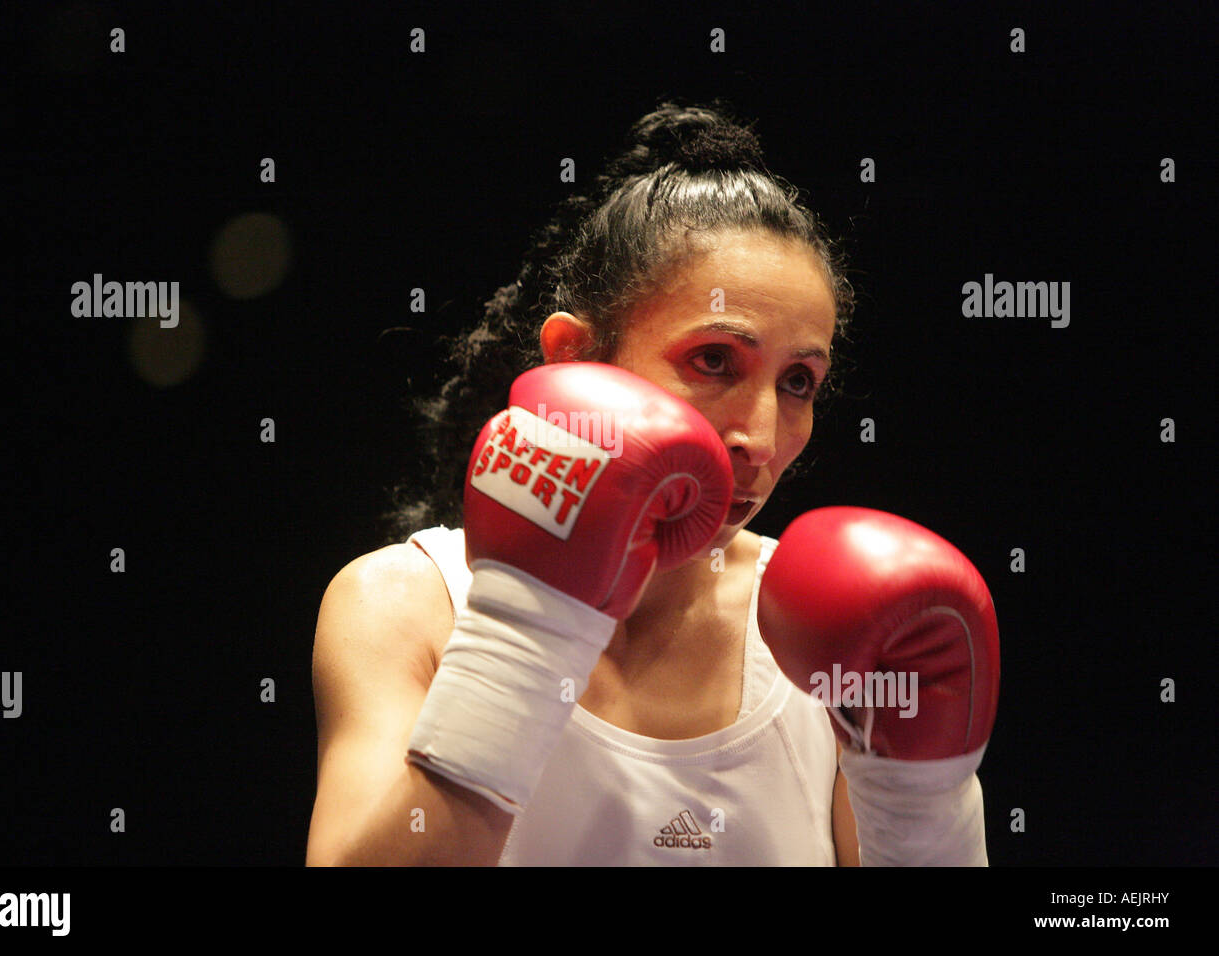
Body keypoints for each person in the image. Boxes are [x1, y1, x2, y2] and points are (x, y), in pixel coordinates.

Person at [305, 100, 997, 866]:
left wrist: (924, 809)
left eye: (798, 381)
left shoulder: (826, 637)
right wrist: (525, 636)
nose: (759, 438)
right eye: (713, 361)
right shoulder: (404, 606)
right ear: (574, 359)